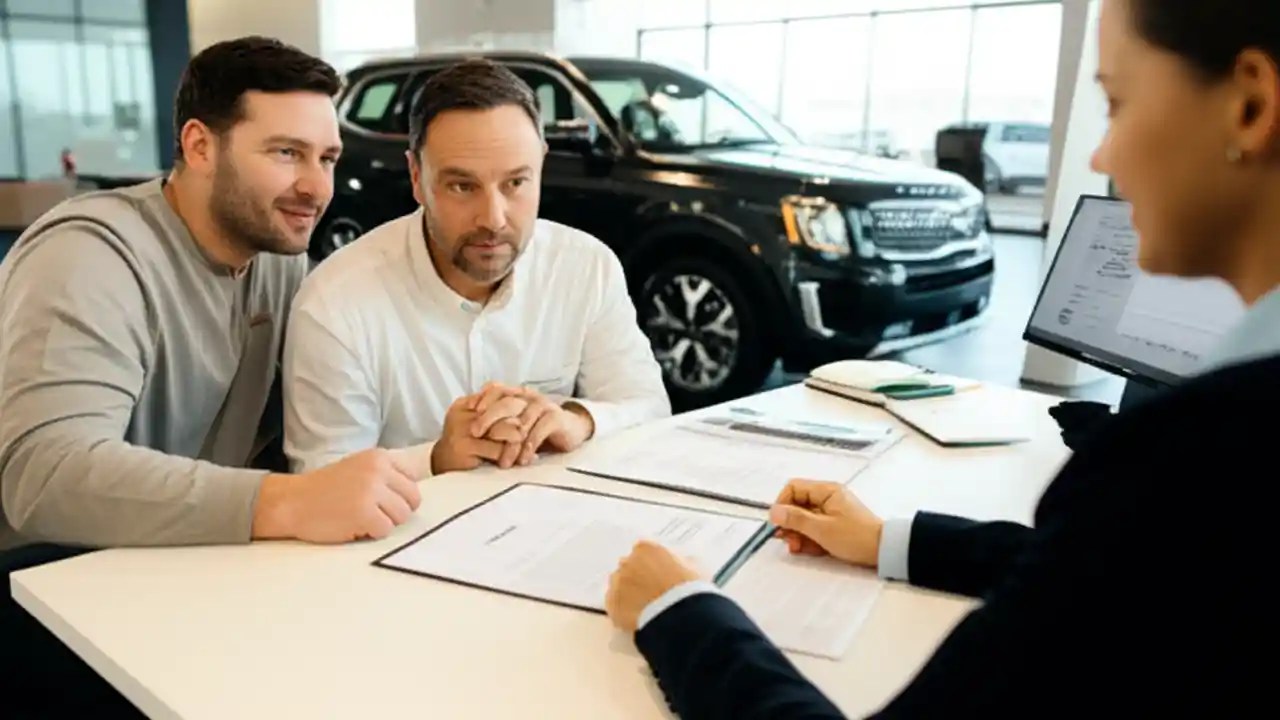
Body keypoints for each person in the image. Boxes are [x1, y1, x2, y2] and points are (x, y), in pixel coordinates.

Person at [604, 0, 1276, 716]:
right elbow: (1143, 577)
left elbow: (1145, 549)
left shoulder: (1201, 462)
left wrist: (679, 613)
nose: (1099, 155)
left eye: (1116, 102)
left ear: (1250, 104)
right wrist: (894, 539)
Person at [0, 37, 423, 715]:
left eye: (327, 158)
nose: (316, 186)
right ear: (199, 147)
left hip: (186, 571)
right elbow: (43, 475)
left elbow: (316, 414)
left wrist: (442, 445)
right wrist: (286, 503)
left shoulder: (276, 256)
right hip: (46, 589)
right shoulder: (90, 255)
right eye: (286, 153)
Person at [282, 59, 669, 476]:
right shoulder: (335, 303)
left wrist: (578, 420)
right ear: (416, 177)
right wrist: (434, 459)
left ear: (541, 165)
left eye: (516, 183)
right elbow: (322, 479)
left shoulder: (586, 268)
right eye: (463, 186)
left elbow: (650, 408)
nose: (494, 219)